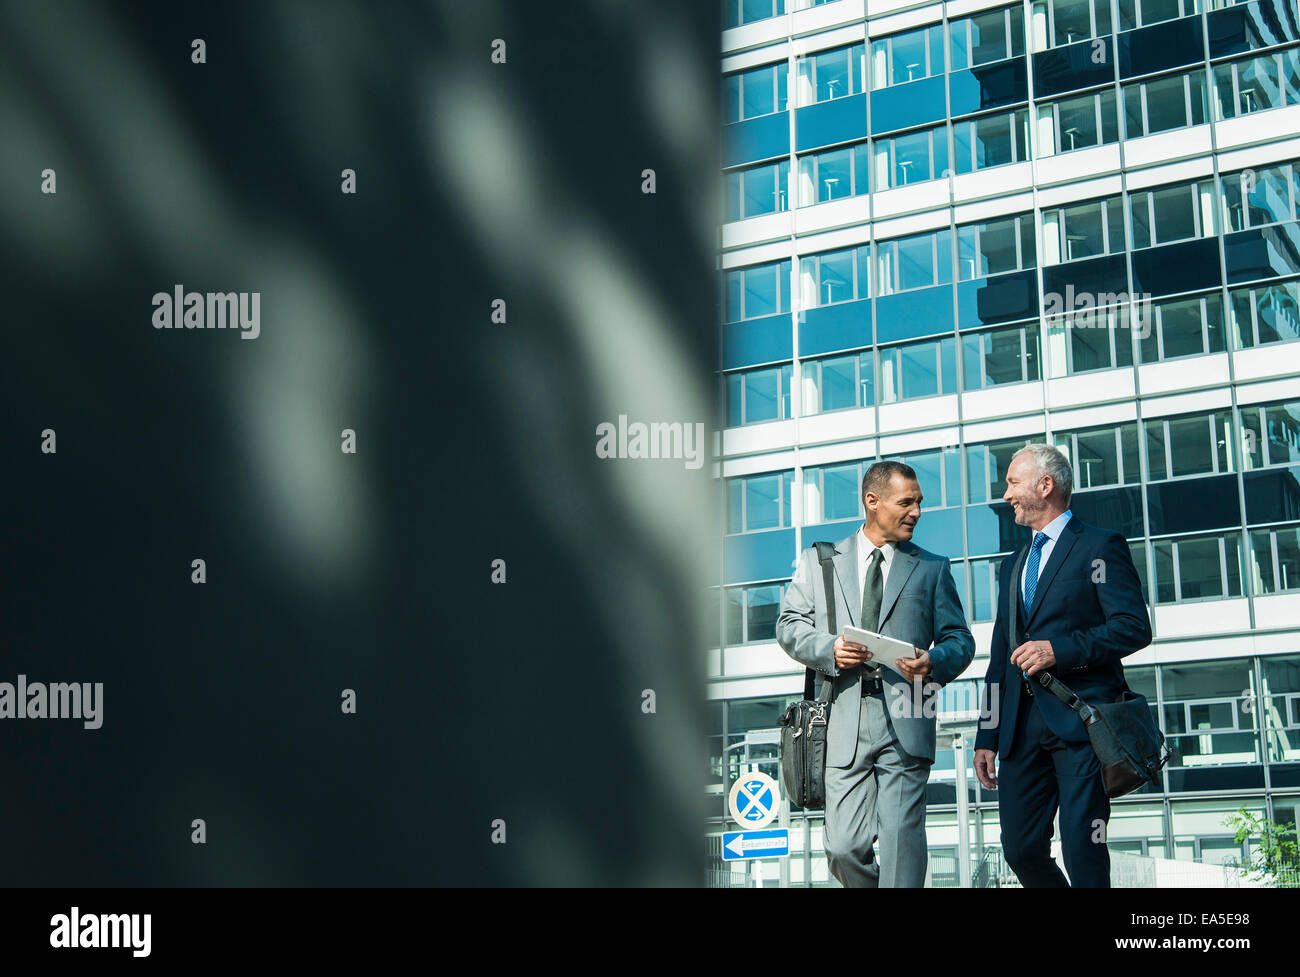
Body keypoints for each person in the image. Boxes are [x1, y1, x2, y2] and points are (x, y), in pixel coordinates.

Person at [776, 460, 974, 887]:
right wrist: (830, 649)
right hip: (840, 722)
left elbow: (961, 639)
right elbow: (789, 625)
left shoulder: (932, 567)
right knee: (844, 846)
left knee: (902, 841)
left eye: (919, 503)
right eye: (907, 503)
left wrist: (934, 661)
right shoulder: (819, 561)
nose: (916, 512)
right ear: (872, 502)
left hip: (906, 718)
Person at [973, 444, 1152, 888]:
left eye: (1013, 482)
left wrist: (1060, 650)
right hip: (1019, 729)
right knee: (1019, 848)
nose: (1006, 493)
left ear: (1045, 485)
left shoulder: (1098, 546)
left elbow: (1132, 628)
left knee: (1083, 846)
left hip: (1080, 721)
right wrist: (987, 734)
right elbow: (1000, 655)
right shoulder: (1013, 564)